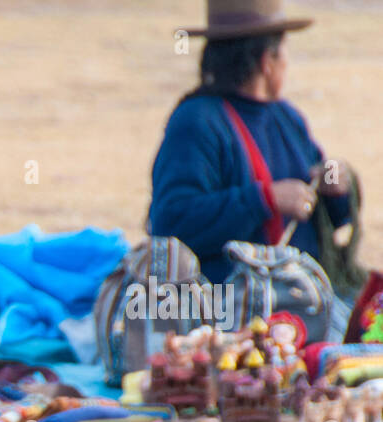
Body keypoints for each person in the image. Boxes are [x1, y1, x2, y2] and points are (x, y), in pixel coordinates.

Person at [148, 0, 354, 285]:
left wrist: (336, 188)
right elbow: (171, 224)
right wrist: (265, 200)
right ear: (266, 63)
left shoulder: (287, 118)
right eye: (283, 52)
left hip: (301, 298)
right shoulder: (196, 122)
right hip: (223, 306)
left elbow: (333, 215)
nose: (286, 62)